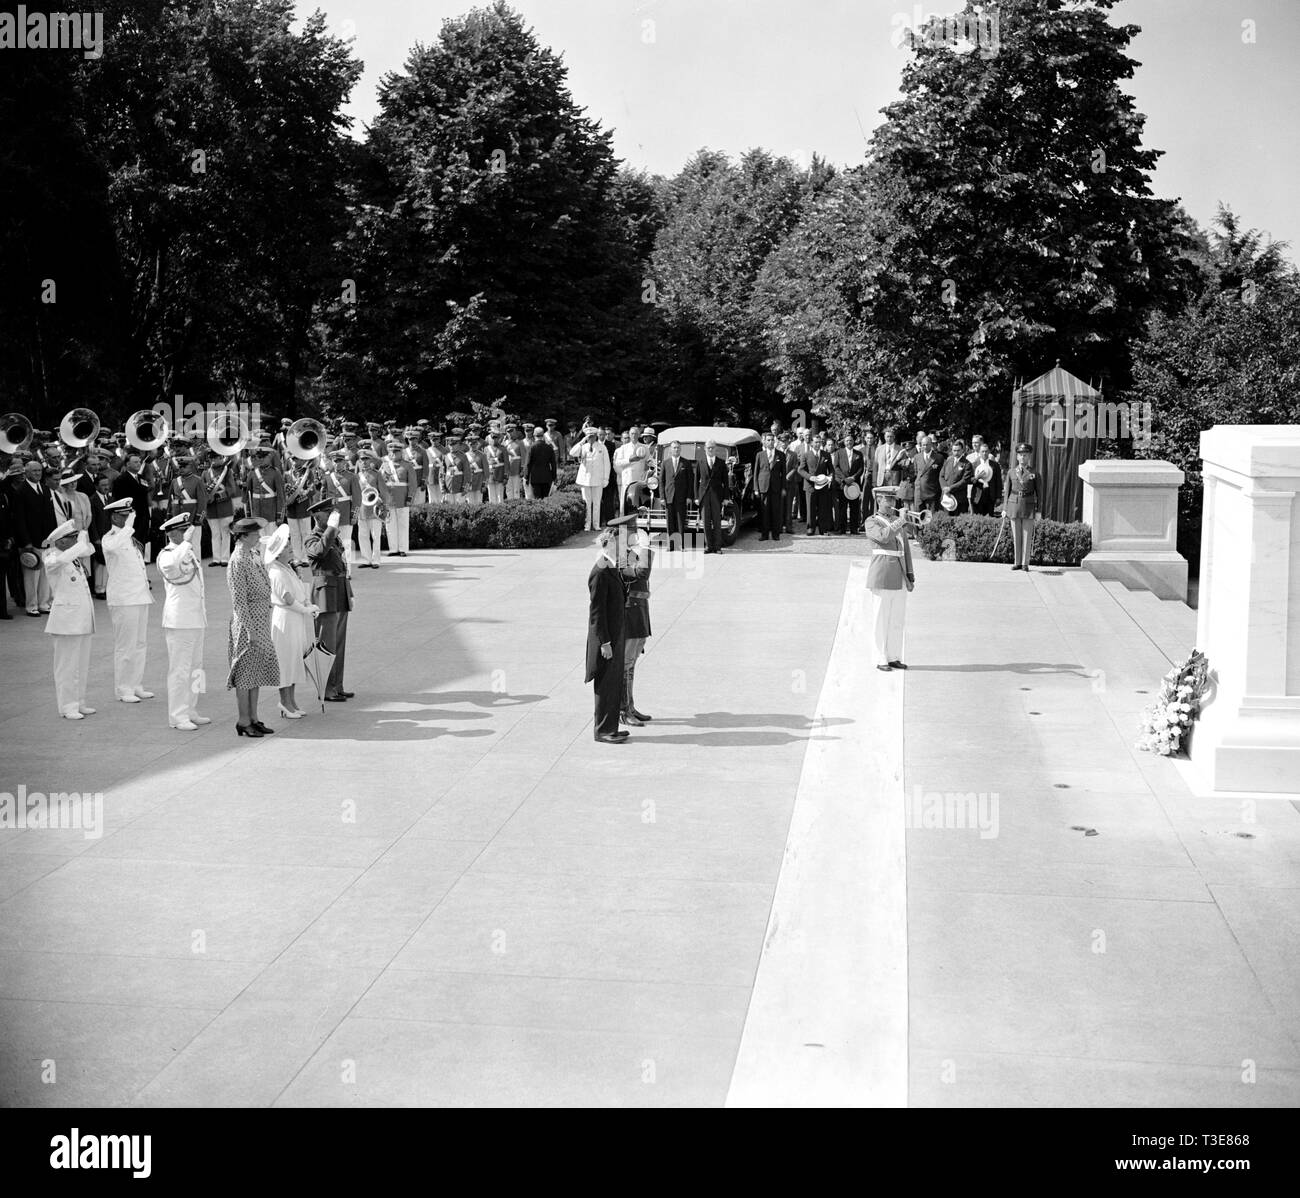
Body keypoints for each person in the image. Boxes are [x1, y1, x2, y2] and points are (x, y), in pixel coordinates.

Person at [157, 511, 212, 731]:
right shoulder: (167, 555)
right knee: (180, 669)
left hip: (197, 617)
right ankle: (177, 716)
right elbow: (171, 567)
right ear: (172, 533)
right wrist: (185, 543)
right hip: (179, 620)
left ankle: (191, 709)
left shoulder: (186, 551)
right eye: (183, 529)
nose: (188, 532)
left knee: (197, 668)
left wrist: (187, 544)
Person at [99, 497, 156, 704]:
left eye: (129, 515)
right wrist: (128, 527)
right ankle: (123, 688)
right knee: (126, 646)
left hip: (139, 596)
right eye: (124, 515)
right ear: (114, 516)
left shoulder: (129, 538)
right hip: (123, 599)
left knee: (140, 644)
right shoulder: (111, 538)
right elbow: (113, 547)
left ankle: (135, 684)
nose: (128, 518)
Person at [226, 517, 280, 737]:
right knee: (245, 675)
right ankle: (243, 720)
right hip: (248, 623)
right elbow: (239, 601)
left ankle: (254, 718)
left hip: (261, 618)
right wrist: (250, 631)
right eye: (256, 534)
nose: (259, 537)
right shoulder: (238, 559)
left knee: (255, 672)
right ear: (244, 536)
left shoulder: (253, 554)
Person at [43, 519, 97, 718]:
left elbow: (89, 549)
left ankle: (79, 701)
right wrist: (80, 543)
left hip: (81, 619)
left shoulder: (72, 557)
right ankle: (67, 706)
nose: (76, 540)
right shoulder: (50, 556)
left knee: (81, 664)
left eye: (76, 537)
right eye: (72, 538)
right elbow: (61, 560)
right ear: (61, 541)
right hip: (65, 622)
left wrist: (82, 542)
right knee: (67, 666)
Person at [264, 523, 318, 719]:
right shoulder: (276, 572)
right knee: (285, 662)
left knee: (296, 660)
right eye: (286, 547)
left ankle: (292, 701)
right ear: (278, 554)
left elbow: (299, 591)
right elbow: (287, 599)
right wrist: (305, 609)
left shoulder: (288, 568)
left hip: (295, 620)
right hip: (285, 620)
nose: (290, 548)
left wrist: (308, 604)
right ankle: (284, 702)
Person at [305, 498, 354, 703]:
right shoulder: (312, 538)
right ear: (318, 517)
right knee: (327, 644)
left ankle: (337, 685)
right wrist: (332, 529)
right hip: (325, 594)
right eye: (329, 513)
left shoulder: (332, 536)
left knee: (339, 644)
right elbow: (319, 551)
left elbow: (341, 565)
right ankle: (326, 689)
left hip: (339, 590)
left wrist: (349, 592)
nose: (334, 515)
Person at [863, 486, 915, 671]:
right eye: (887, 499)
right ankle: (880, 657)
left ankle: (893, 656)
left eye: (893, 499)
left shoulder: (897, 521)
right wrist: (901, 521)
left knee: (896, 619)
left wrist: (910, 575)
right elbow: (883, 537)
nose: (892, 503)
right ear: (878, 500)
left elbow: (905, 549)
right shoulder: (872, 521)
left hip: (899, 574)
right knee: (881, 619)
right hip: (882, 572)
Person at [587, 518, 630, 743]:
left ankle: (610, 727)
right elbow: (597, 613)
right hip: (607, 641)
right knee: (605, 686)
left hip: (615, 635)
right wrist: (604, 643)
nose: (626, 547)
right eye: (623, 543)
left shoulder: (611, 565)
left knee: (614, 685)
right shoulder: (600, 571)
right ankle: (602, 730)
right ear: (611, 542)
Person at [13, 457, 57, 615]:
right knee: (32, 576)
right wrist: (26, 542)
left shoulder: (45, 489)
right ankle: (31, 606)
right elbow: (19, 519)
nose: (38, 473)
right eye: (34, 471)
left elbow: (51, 515)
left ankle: (44, 604)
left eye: (39, 470)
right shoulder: (21, 491)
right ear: (26, 472)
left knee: (46, 574)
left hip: (46, 540)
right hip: (30, 540)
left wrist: (52, 538)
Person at [620, 524, 654, 727]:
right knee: (625, 666)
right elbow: (642, 573)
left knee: (630, 665)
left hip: (639, 613)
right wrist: (647, 548)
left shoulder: (629, 554)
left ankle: (630, 706)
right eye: (633, 532)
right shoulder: (618, 560)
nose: (637, 536)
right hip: (630, 617)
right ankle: (624, 710)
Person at [1005, 442, 1039, 571]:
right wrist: (1004, 508)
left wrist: (1039, 510)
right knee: (1016, 536)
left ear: (1029, 456)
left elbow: (1039, 492)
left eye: (1025, 455)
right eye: (1020, 455)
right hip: (1014, 505)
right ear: (1017, 457)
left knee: (1027, 535)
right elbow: (1007, 491)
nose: (1023, 458)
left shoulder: (1034, 472)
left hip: (1029, 506)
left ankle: (1025, 563)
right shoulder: (1011, 472)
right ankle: (1017, 562)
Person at [571, 426, 610, 532]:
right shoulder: (583, 447)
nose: (590, 439)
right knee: (587, 503)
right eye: (588, 437)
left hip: (598, 479)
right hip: (585, 479)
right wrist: (582, 441)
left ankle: (596, 524)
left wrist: (606, 478)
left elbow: (607, 464)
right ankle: (587, 524)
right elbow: (572, 452)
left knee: (597, 503)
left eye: (592, 436)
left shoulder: (602, 447)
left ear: (595, 436)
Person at [381, 438, 414, 555]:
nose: (394, 454)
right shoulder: (384, 465)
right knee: (390, 525)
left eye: (396, 452)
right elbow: (380, 483)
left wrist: (409, 498)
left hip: (403, 499)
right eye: (392, 452)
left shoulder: (407, 465)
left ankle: (403, 549)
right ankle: (393, 549)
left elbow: (413, 484)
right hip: (389, 500)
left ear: (401, 452)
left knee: (403, 525)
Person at [696, 438, 728, 553]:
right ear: (705, 449)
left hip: (716, 495)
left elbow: (726, 482)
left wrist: (725, 498)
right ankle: (709, 546)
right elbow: (696, 481)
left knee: (716, 521)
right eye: (708, 447)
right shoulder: (700, 462)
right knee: (706, 522)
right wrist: (696, 497)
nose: (710, 449)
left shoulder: (721, 462)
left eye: (712, 447)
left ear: (716, 449)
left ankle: (718, 547)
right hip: (704, 496)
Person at [204, 453, 237, 566]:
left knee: (225, 533)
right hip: (211, 508)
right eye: (211, 458)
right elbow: (203, 489)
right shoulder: (205, 473)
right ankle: (216, 558)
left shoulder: (227, 472)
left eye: (216, 458)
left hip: (225, 507)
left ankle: (225, 558)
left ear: (220, 458)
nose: (213, 460)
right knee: (215, 534)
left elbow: (232, 489)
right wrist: (207, 496)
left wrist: (220, 495)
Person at [800, 434, 835, 536]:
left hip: (823, 485)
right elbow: (800, 469)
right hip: (810, 486)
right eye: (815, 442)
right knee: (810, 508)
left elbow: (831, 469)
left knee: (823, 508)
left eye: (819, 442)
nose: (817, 444)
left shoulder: (826, 455)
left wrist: (830, 477)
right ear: (811, 443)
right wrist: (810, 477)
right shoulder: (806, 455)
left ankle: (823, 529)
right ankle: (810, 528)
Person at [753, 432, 785, 542]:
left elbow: (784, 473)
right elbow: (756, 472)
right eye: (768, 440)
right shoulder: (759, 455)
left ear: (775, 441)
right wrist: (756, 488)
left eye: (772, 440)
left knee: (775, 511)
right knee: (764, 511)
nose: (770, 442)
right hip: (763, 487)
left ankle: (776, 534)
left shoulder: (781, 455)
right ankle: (764, 535)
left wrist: (783, 488)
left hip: (776, 487)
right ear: (765, 442)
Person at [833, 433, 866, 535]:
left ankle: (853, 529)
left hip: (854, 484)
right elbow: (836, 467)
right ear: (844, 442)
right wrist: (844, 478)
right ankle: (842, 529)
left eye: (851, 440)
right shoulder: (839, 452)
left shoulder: (859, 454)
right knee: (842, 507)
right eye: (847, 440)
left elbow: (861, 468)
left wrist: (854, 477)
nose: (849, 442)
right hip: (843, 484)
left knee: (854, 507)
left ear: (853, 442)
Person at [661, 439, 691, 550]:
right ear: (671, 449)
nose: (676, 449)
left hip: (681, 498)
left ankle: (681, 545)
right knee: (670, 523)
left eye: (678, 447)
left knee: (680, 522)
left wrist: (689, 496)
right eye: (674, 447)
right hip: (669, 497)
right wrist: (662, 497)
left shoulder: (686, 463)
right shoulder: (665, 462)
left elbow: (690, 481)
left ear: (680, 449)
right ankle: (671, 545)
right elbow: (661, 481)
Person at [940, 438, 974, 515]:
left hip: (959, 499)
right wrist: (944, 488)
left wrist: (950, 488)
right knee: (946, 521)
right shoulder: (948, 461)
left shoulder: (967, 464)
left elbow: (965, 481)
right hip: (947, 498)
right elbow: (941, 476)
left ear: (962, 450)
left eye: (958, 450)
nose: (956, 453)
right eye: (954, 450)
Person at [970, 442, 1002, 516]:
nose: (984, 453)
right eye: (982, 451)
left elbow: (998, 482)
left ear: (989, 452)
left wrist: (998, 497)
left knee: (990, 518)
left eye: (986, 451)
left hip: (990, 495)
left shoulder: (995, 465)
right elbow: (969, 480)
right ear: (979, 452)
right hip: (977, 496)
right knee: (977, 519)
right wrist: (976, 478)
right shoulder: (973, 465)